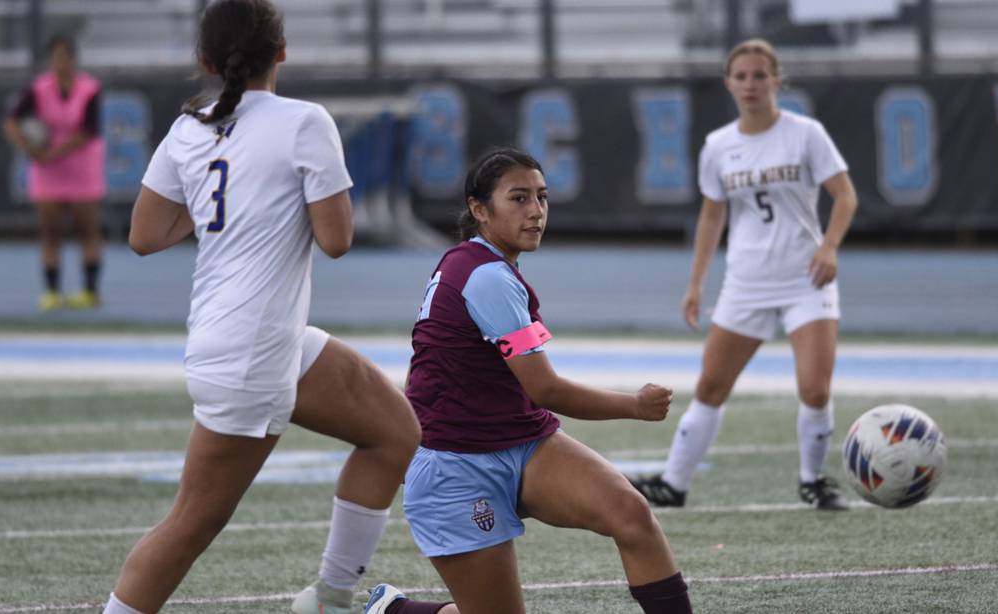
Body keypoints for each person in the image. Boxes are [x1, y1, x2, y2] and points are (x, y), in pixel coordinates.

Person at [100, 0, 420, 614]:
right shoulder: (305, 121)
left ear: (208, 58)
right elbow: (336, 240)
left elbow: (144, 236)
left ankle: (328, 597)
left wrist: (236, 206)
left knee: (394, 431)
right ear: (281, 51)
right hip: (251, 355)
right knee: (190, 524)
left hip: (251, 333)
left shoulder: (189, 126)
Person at [357, 148, 693, 614]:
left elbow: (432, 364)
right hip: (457, 466)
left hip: (523, 441)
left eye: (541, 196)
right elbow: (546, 389)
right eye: (518, 198)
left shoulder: (476, 264)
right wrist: (634, 406)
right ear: (479, 209)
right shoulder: (487, 276)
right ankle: (394, 611)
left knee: (632, 516)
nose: (536, 211)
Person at [629, 38, 860, 511]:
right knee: (712, 386)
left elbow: (846, 196)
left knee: (814, 388)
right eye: (742, 76)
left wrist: (830, 247)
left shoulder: (805, 134)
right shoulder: (718, 146)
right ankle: (673, 484)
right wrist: (696, 283)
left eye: (760, 75)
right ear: (728, 84)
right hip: (746, 281)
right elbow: (713, 217)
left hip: (805, 279)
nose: (751, 84)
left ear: (777, 80)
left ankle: (813, 480)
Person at [2, 33, 106, 311]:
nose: (60, 62)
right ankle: (51, 291)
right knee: (50, 231)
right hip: (48, 170)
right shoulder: (38, 89)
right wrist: (29, 148)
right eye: (55, 56)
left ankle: (89, 290)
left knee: (87, 229)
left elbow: (89, 131)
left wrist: (54, 152)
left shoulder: (89, 89)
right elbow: (12, 122)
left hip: (82, 167)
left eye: (65, 56)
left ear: (73, 59)